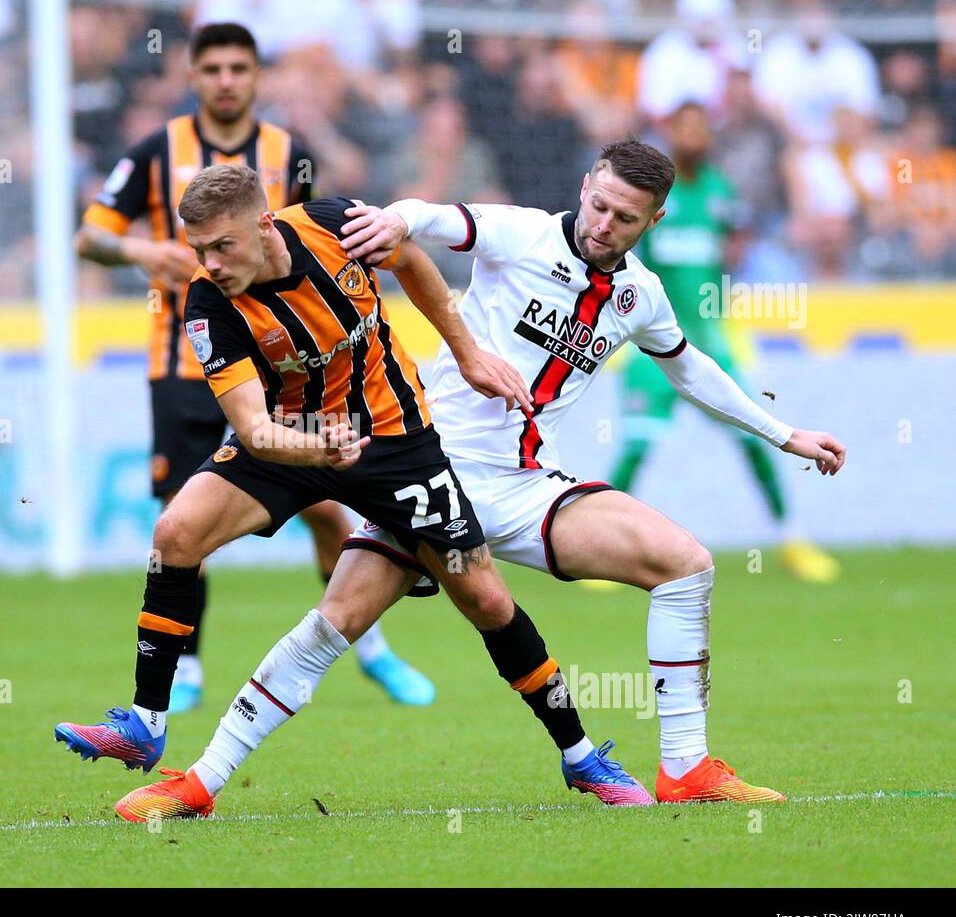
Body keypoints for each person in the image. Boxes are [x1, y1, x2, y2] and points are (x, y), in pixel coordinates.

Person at [116, 140, 846, 818]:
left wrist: (785, 434)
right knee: (338, 622)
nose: (603, 225)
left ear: (652, 220)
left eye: (625, 219)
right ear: (585, 185)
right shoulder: (517, 231)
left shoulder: (640, 297)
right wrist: (388, 222)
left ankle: (685, 768)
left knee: (686, 567)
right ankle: (200, 780)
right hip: (429, 469)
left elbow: (690, 368)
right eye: (599, 205)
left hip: (530, 489)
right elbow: (424, 218)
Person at [80, 163, 658, 821]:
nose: (210, 263)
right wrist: (316, 448)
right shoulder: (210, 301)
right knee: (176, 533)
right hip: (291, 437)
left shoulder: (334, 226)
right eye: (199, 250)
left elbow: (410, 259)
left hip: (398, 443)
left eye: (222, 246)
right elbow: (252, 428)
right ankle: (146, 725)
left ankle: (580, 755)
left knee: (487, 598)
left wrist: (465, 353)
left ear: (265, 226)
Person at [75, 22, 432, 710]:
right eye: (213, 69)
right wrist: (144, 254)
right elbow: (88, 236)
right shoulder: (158, 150)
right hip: (185, 367)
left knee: (329, 511)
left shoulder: (288, 152)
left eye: (239, 68)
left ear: (256, 77)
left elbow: (308, 248)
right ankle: (189, 670)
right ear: (194, 77)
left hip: (283, 368)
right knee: (183, 521)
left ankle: (374, 648)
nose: (227, 80)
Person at [609, 102, 839, 583]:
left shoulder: (720, 192)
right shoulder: (650, 201)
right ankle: (603, 554)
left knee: (757, 438)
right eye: (684, 127)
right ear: (671, 134)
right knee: (635, 449)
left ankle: (792, 540)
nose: (693, 136)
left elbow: (731, 251)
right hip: (652, 348)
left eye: (700, 128)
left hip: (711, 344)